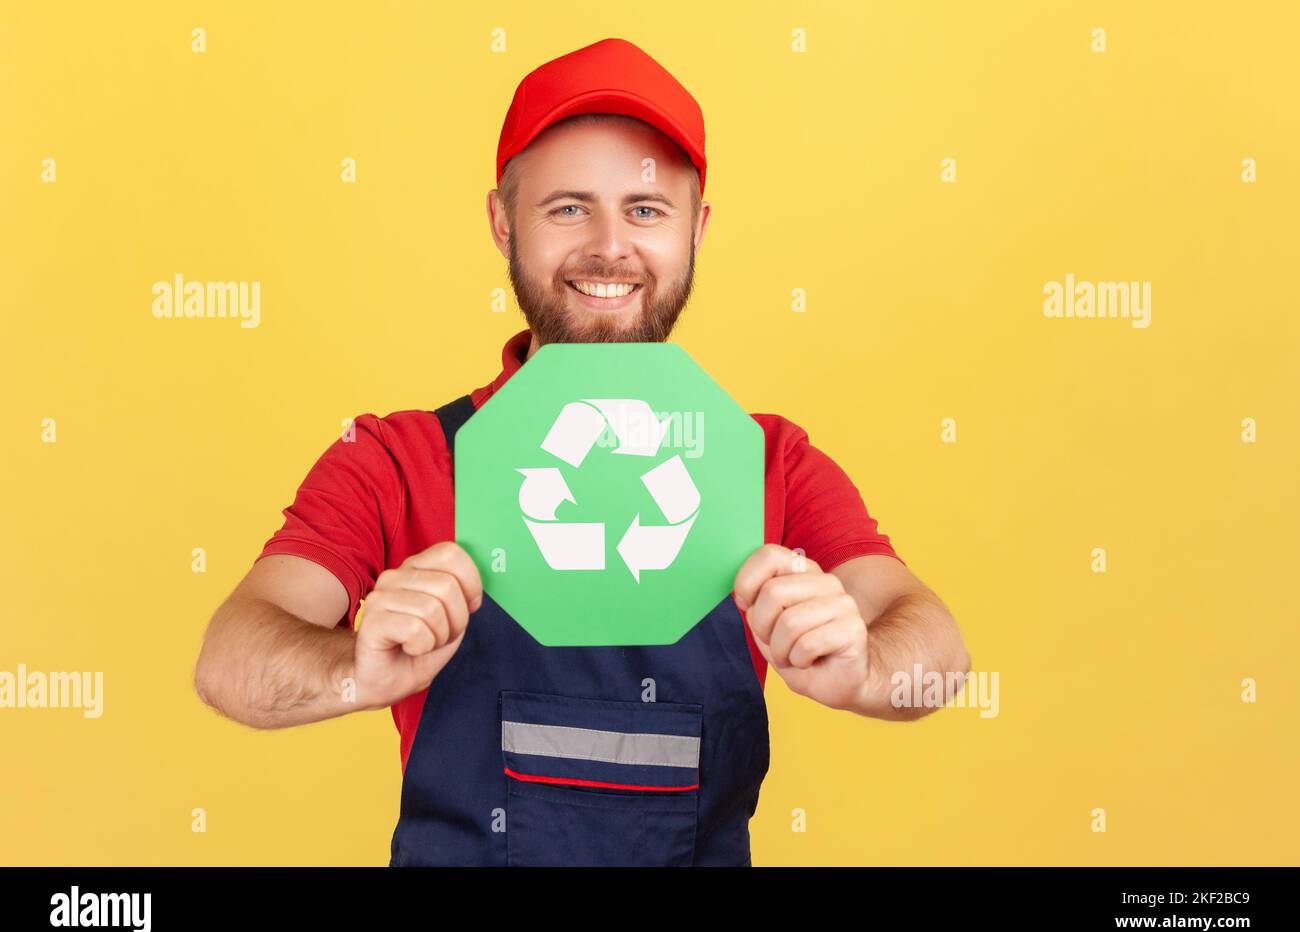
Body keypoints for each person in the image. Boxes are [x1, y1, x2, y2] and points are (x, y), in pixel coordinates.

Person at [194, 37, 969, 867]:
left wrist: (862, 670)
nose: (609, 247)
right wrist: (355, 668)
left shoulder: (770, 463)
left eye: (645, 209)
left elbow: (938, 651)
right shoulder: (396, 458)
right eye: (568, 207)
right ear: (502, 221)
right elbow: (231, 659)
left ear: (697, 229)